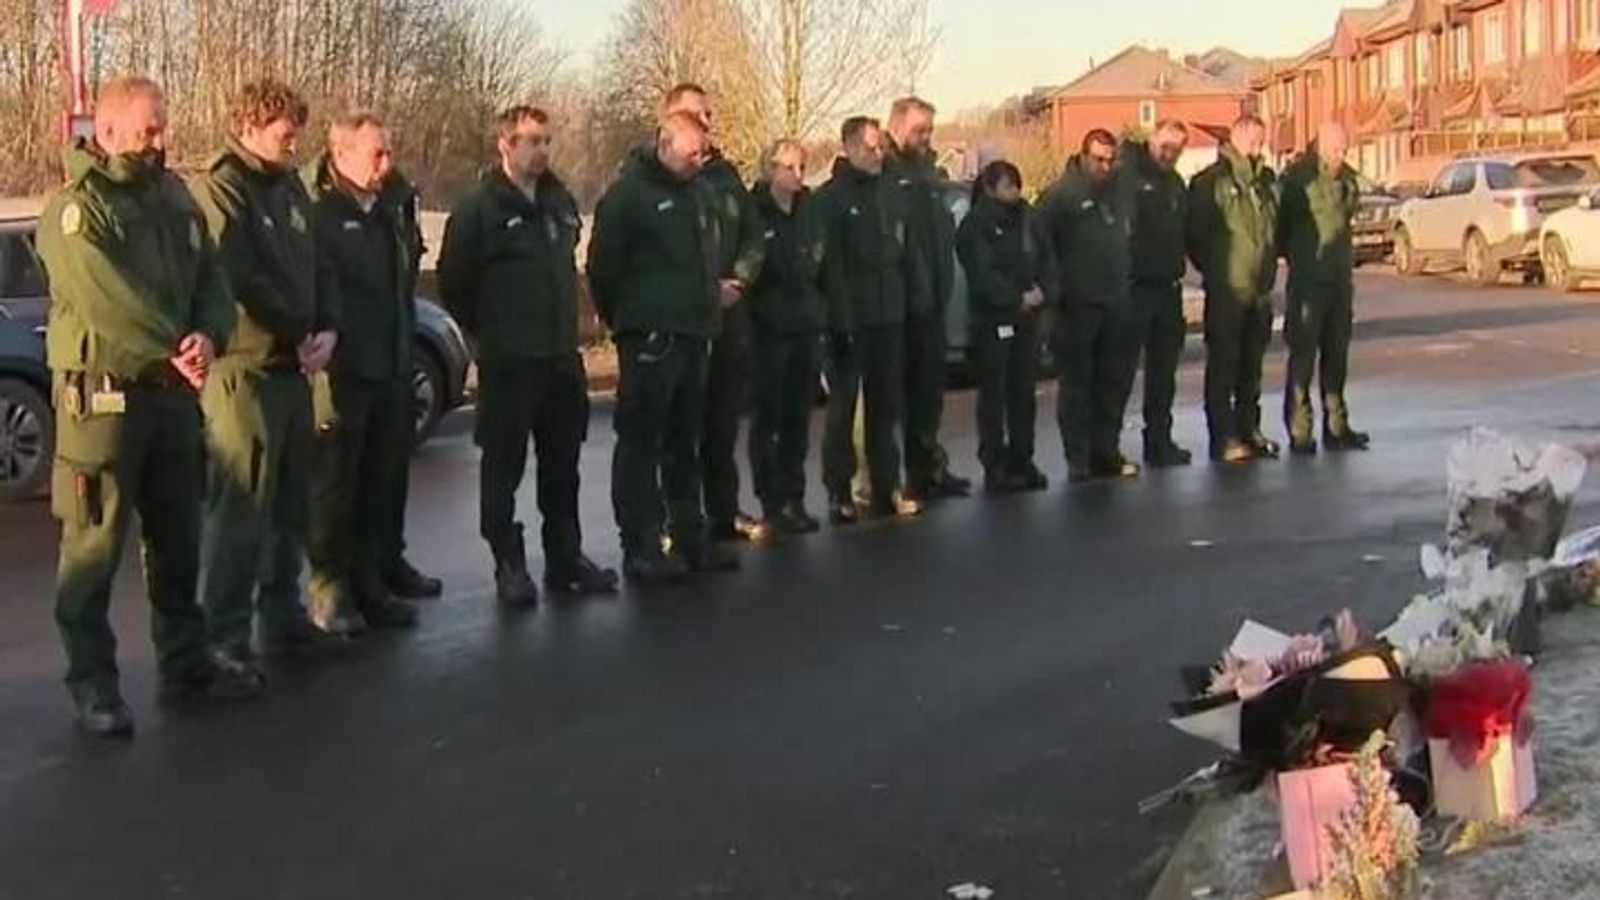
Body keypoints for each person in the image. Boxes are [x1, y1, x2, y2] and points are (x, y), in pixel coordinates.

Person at [35, 75, 252, 737]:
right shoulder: (76, 209)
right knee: (94, 545)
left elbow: (213, 278)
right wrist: (174, 346)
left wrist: (209, 334)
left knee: (177, 537)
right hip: (106, 404)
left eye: (163, 126)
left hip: (170, 401)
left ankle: (186, 662)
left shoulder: (174, 197)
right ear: (107, 131)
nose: (161, 139)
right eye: (148, 129)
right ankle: (94, 684)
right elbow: (107, 300)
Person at [437, 106, 619, 605]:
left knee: (563, 465)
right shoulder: (480, 209)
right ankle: (508, 562)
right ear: (505, 144)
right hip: (509, 361)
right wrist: (491, 329)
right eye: (530, 140)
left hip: (560, 359)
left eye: (546, 140)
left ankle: (565, 558)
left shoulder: (559, 203)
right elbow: (455, 281)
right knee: (503, 466)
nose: (540, 149)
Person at [189, 80, 331, 680]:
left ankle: (281, 612)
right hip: (244, 368)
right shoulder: (224, 187)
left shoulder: (290, 187)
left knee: (291, 503)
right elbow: (241, 276)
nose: (294, 142)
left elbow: (316, 264)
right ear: (250, 126)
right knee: (240, 507)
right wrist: (301, 327)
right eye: (283, 132)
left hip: (293, 367)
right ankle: (224, 633)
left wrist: (328, 327)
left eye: (297, 132)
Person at [301, 111, 439, 633]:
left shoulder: (387, 209)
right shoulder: (320, 213)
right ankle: (330, 590)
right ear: (341, 156)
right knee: (336, 487)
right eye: (375, 153)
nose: (387, 163)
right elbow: (317, 289)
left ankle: (370, 583)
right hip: (344, 370)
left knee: (381, 483)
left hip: (389, 362)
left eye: (388, 151)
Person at [588, 111, 740, 584]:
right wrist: (631, 321)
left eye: (703, 153)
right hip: (651, 336)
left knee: (684, 443)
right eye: (691, 152)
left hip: (695, 333)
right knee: (640, 444)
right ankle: (641, 544)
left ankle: (690, 537)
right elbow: (603, 267)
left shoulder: (700, 194)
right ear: (664, 143)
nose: (698, 161)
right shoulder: (629, 196)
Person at [663, 84, 767, 544]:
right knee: (679, 429)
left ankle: (724, 511)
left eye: (709, 113)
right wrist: (702, 291)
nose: (708, 120)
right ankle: (677, 520)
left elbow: (753, 235)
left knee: (722, 423)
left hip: (728, 316)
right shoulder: (653, 175)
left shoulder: (724, 174)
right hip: (680, 320)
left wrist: (739, 280)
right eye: (698, 114)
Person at [816, 116, 925, 524]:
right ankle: (838, 491)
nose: (879, 154)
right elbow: (832, 267)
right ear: (848, 148)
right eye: (870, 147)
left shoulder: (890, 192)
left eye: (881, 146)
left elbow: (905, 251)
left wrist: (914, 301)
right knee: (843, 409)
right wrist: (839, 321)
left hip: (889, 314)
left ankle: (885, 486)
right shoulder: (831, 198)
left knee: (885, 407)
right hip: (850, 319)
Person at [1036, 129, 1141, 483]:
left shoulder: (1120, 193)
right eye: (1098, 159)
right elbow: (1039, 242)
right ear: (1083, 156)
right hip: (1076, 306)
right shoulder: (1061, 195)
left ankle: (1106, 452)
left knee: (1113, 384)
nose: (1105, 166)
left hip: (1116, 302)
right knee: (1077, 387)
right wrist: (1055, 291)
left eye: (1110, 160)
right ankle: (1078, 458)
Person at [884, 96, 972, 503]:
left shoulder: (929, 177)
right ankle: (888, 481)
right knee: (893, 401)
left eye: (929, 131)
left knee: (928, 397)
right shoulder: (885, 172)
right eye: (919, 130)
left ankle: (927, 470)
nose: (925, 138)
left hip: (932, 302)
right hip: (898, 306)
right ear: (897, 127)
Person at [1187, 115, 1282, 464]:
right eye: (1255, 141)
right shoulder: (1211, 182)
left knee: (1251, 368)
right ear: (1238, 138)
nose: (1259, 149)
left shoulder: (1264, 183)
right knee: (1224, 367)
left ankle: (1248, 430)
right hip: (1227, 289)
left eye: (1262, 142)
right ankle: (1223, 436)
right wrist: (1216, 270)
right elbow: (1195, 235)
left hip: (1258, 289)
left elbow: (1275, 230)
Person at [955, 160, 1051, 493]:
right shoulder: (975, 225)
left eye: (1016, 186)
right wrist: (1014, 298)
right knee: (994, 393)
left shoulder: (1028, 218)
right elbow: (981, 274)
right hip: (994, 321)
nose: (1014, 193)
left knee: (1023, 392)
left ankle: (1023, 458)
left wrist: (1043, 290)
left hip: (1027, 320)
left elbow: (1046, 257)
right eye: (1007, 186)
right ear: (991, 188)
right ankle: (994, 463)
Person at [746, 139, 827, 534]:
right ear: (771, 169)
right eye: (788, 167)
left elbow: (820, 262)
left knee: (798, 416)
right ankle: (771, 499)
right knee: (769, 418)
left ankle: (794, 496)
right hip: (769, 329)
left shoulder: (809, 211)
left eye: (801, 167)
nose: (797, 176)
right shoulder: (755, 213)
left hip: (804, 325)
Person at [1279, 121, 1370, 455]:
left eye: (1345, 149)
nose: (1341, 155)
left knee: (1337, 355)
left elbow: (1347, 215)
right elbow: (1282, 226)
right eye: (1336, 149)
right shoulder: (1299, 178)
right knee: (1303, 358)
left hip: (1339, 279)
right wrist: (1299, 257)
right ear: (1321, 145)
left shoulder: (1347, 177)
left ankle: (1337, 427)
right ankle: (1300, 431)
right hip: (1308, 280)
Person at [1123, 120, 1194, 468]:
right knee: (1119, 372)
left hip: (1167, 288)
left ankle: (1159, 441)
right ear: (1152, 140)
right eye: (1165, 147)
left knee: (1163, 374)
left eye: (1177, 150)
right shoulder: (1128, 175)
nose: (1170, 155)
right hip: (1134, 288)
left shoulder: (1176, 184)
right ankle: (1104, 447)